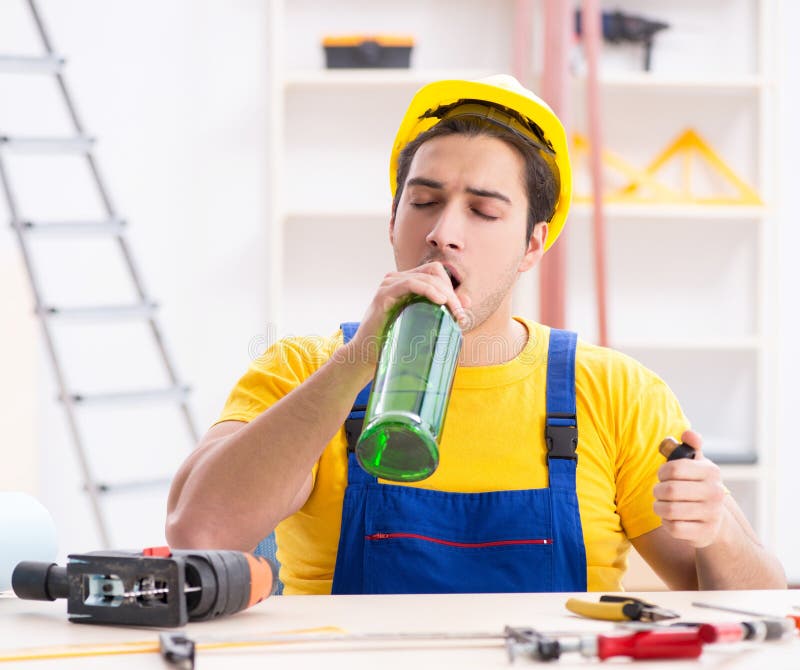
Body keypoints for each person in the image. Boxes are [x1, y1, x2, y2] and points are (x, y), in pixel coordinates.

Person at [165, 75, 786, 593]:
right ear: (393, 220)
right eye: (424, 201)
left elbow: (759, 614)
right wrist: (357, 363)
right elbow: (200, 532)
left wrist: (718, 529)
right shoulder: (304, 368)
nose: (443, 232)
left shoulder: (614, 392)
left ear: (532, 245)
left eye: (484, 211)